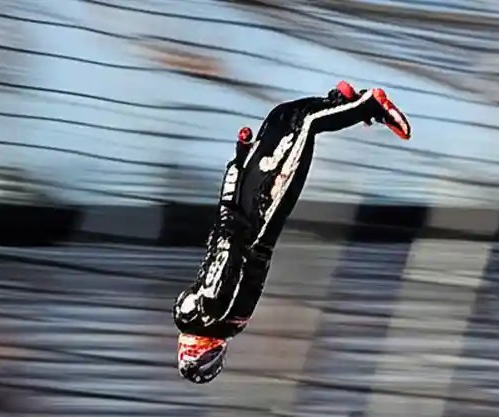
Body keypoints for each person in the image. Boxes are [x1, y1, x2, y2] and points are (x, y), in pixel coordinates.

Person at [173, 80, 411, 383]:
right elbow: (228, 251)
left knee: (280, 119)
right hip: (261, 210)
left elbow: (221, 251)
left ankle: (340, 102)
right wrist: (233, 185)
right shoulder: (212, 316)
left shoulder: (208, 317)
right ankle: (368, 105)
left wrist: (236, 169)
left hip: (248, 213)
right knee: (301, 127)